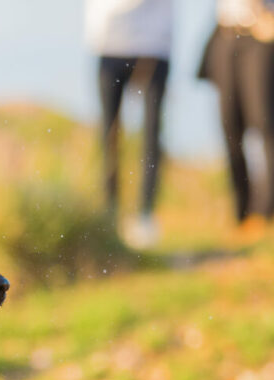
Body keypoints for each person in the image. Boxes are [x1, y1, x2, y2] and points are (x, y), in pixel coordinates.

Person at [198, 0, 274, 237]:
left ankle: (264, 215)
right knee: (230, 128)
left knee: (265, 126)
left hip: (265, 33)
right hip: (226, 33)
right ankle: (241, 214)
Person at [85, 0, 175, 250]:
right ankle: (108, 212)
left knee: (152, 134)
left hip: (153, 44)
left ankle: (145, 214)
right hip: (109, 41)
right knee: (109, 134)